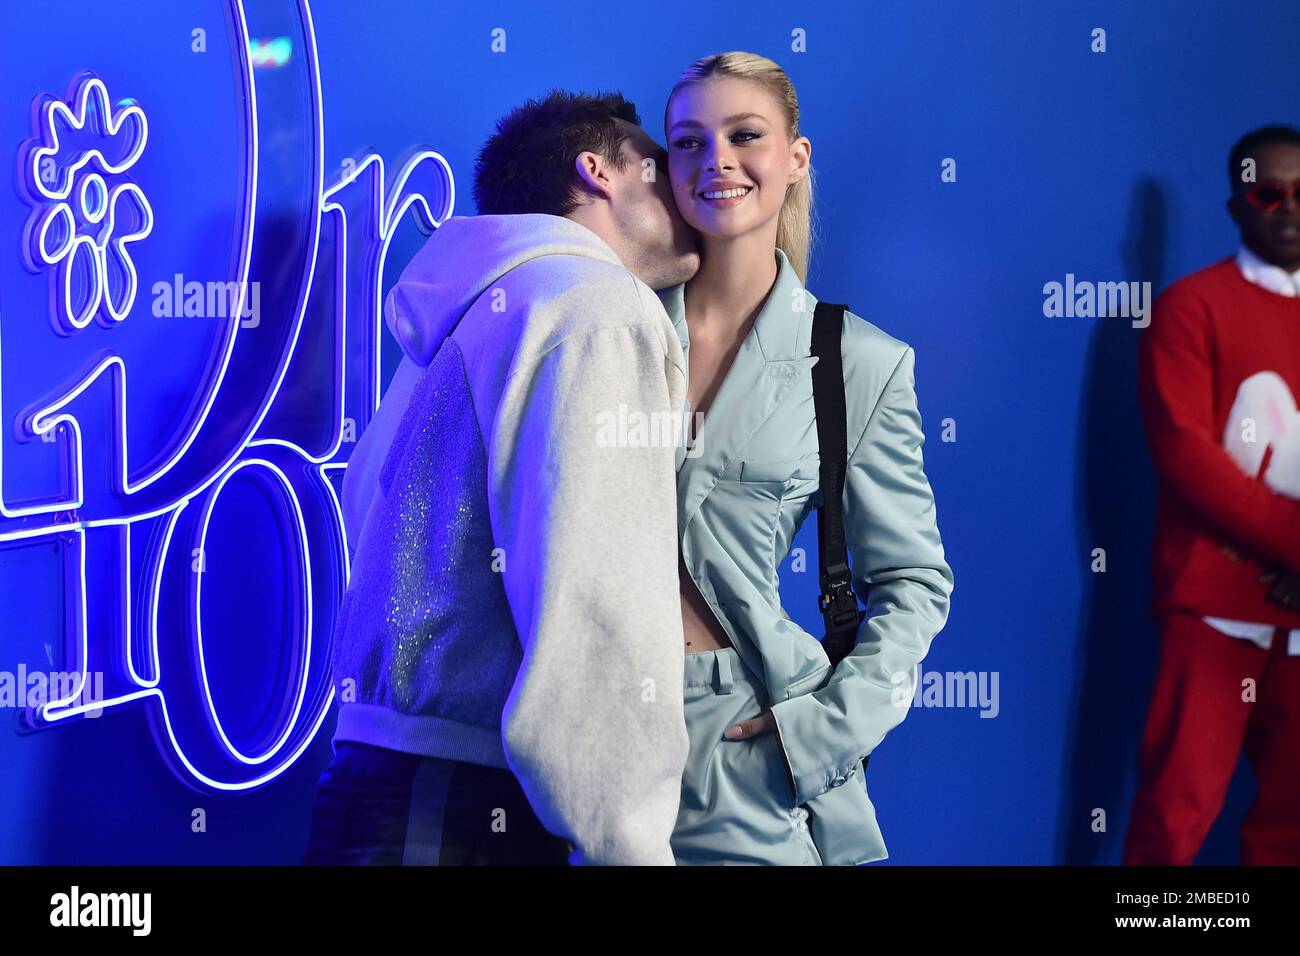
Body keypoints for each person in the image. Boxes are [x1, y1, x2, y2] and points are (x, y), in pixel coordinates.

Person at [301, 90, 700, 866]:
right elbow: (597, 606)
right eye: (659, 165)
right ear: (599, 170)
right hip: (468, 806)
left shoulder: (471, 317)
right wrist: (630, 845)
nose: (685, 186)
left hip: (381, 786)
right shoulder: (594, 308)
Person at [657, 52, 954, 865]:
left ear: (795, 157)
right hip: (591, 730)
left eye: (743, 134)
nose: (714, 159)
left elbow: (915, 584)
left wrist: (823, 733)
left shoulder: (860, 361)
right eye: (688, 141)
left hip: (743, 743)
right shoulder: (613, 330)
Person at [1125, 124, 1300, 866]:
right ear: (1237, 206)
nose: (1288, 209)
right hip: (1215, 603)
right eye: (1269, 193)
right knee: (1177, 811)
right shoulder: (1192, 307)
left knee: (1292, 822)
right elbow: (1187, 455)